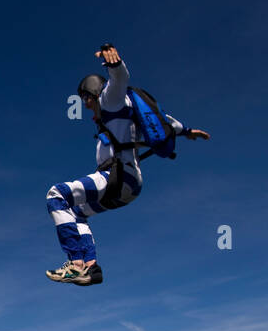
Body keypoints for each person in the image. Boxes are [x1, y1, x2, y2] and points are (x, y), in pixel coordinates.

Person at [46, 44, 210, 285]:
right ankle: (91, 267)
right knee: (77, 213)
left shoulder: (110, 101)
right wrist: (187, 131)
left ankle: (75, 262)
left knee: (56, 194)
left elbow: (119, 80)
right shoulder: (125, 117)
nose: (89, 109)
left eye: (87, 102)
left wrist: (115, 65)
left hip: (117, 177)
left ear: (92, 94)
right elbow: (167, 123)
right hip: (127, 186)